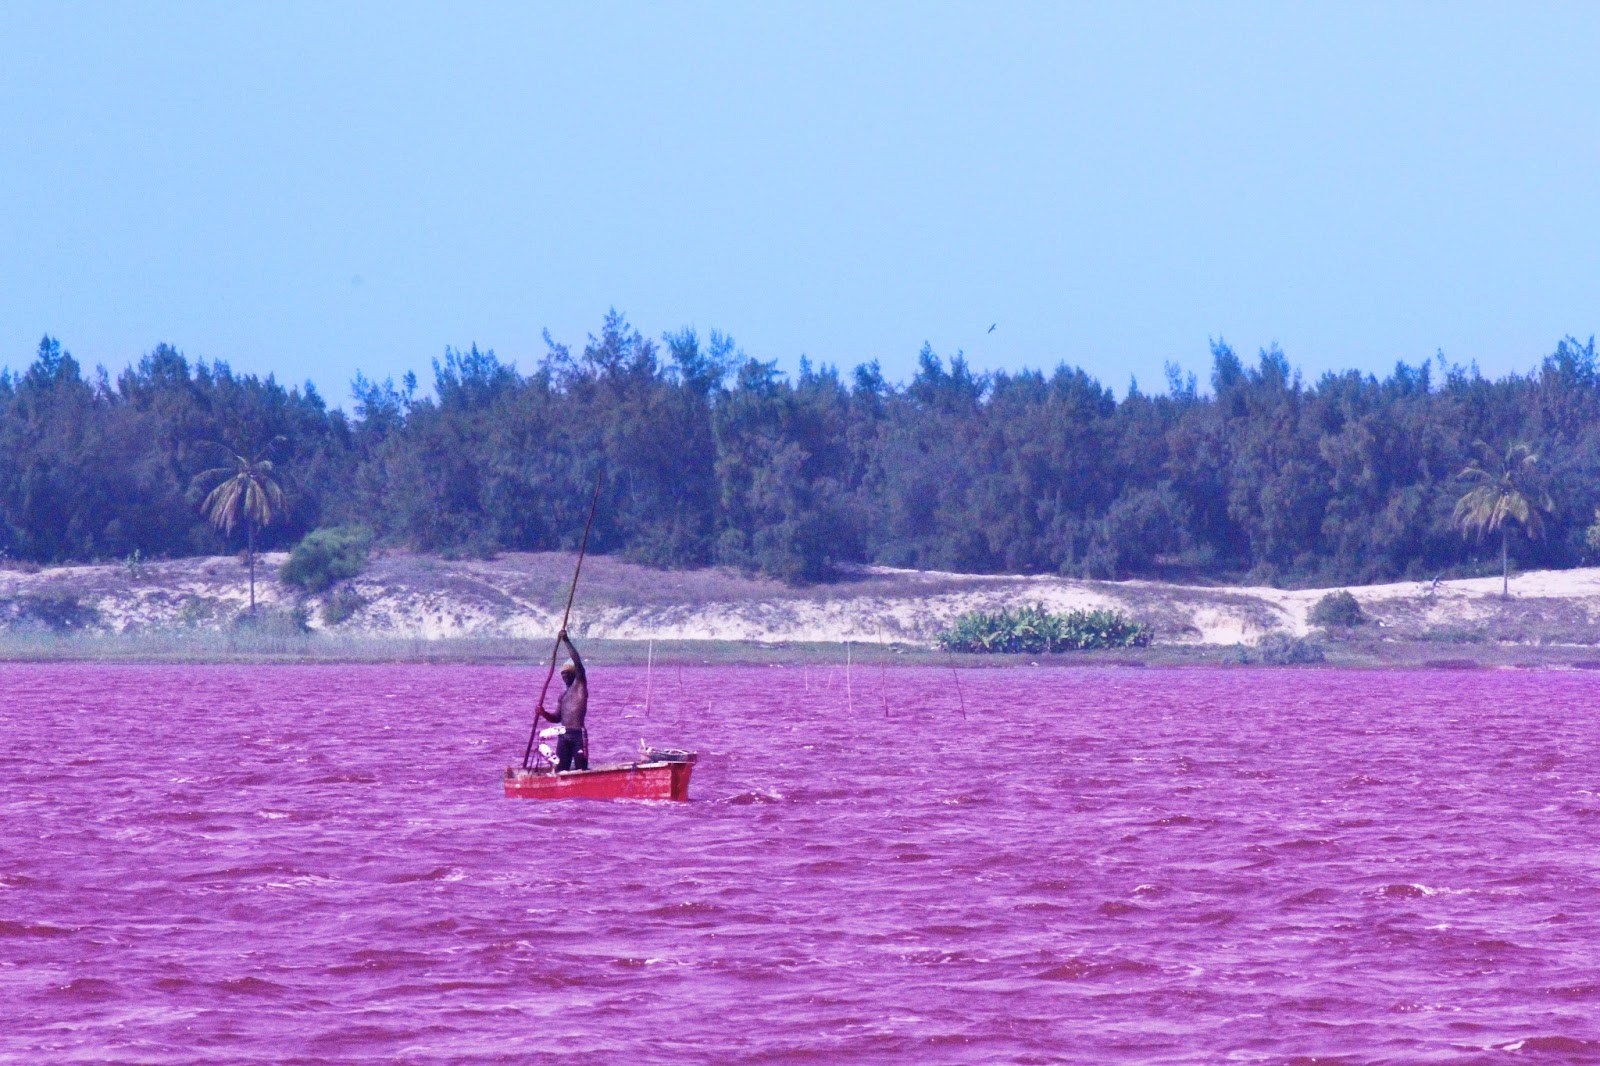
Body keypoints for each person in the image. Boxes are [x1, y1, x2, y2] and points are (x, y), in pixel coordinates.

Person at [538, 630, 588, 771]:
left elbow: (577, 662)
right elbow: (556, 718)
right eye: (563, 674)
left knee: (581, 768)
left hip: (578, 734)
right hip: (563, 735)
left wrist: (566, 640)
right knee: (561, 769)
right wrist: (543, 713)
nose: (564, 676)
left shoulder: (580, 686)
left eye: (568, 673)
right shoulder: (563, 696)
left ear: (574, 674)